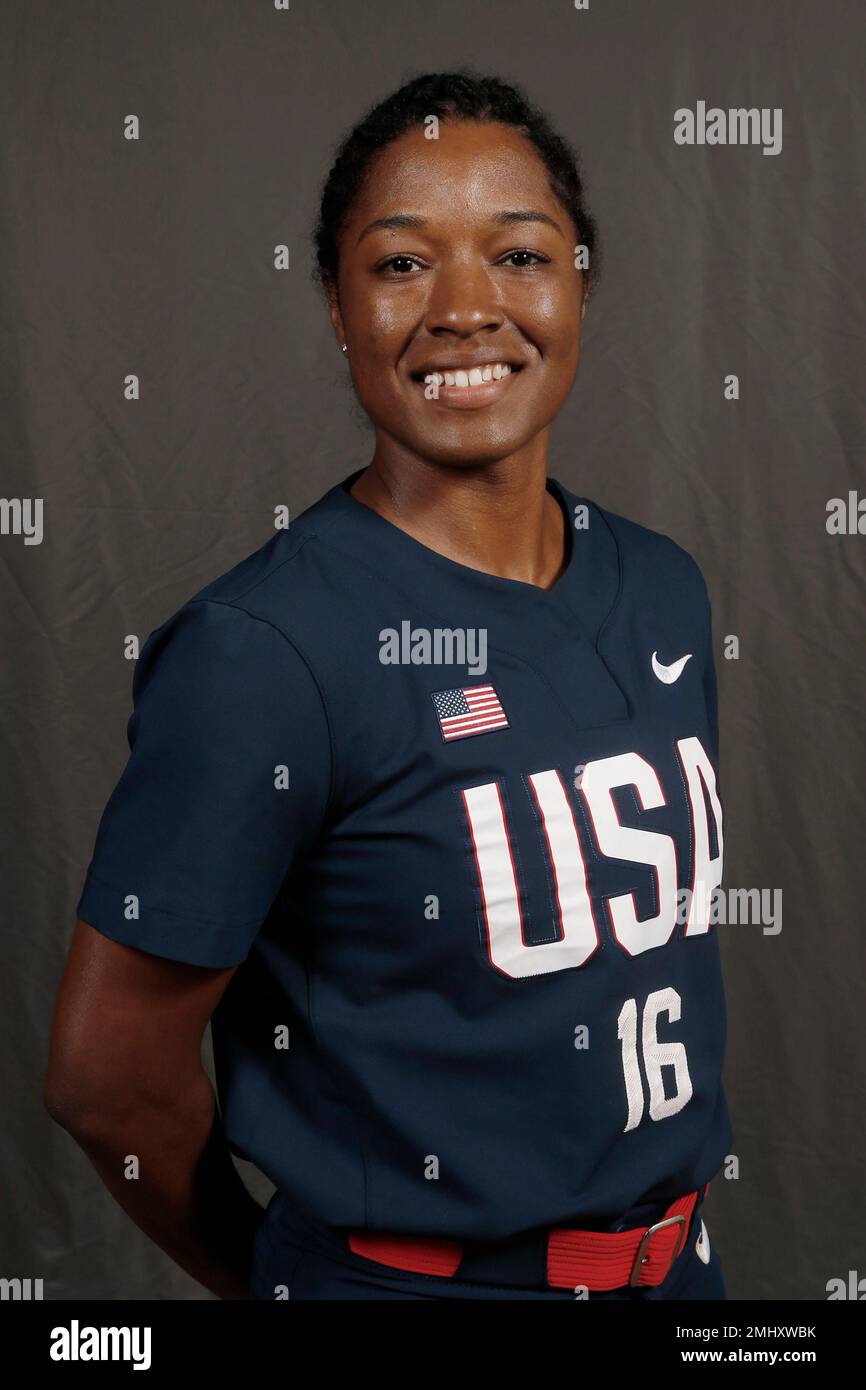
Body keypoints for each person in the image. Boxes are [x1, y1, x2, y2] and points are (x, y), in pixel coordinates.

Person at [45, 69, 731, 1301]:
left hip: (673, 1278)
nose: (466, 309)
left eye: (518, 254)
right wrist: (266, 1279)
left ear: (579, 278)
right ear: (334, 304)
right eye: (402, 263)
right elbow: (109, 1079)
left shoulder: (664, 587)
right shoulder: (265, 650)